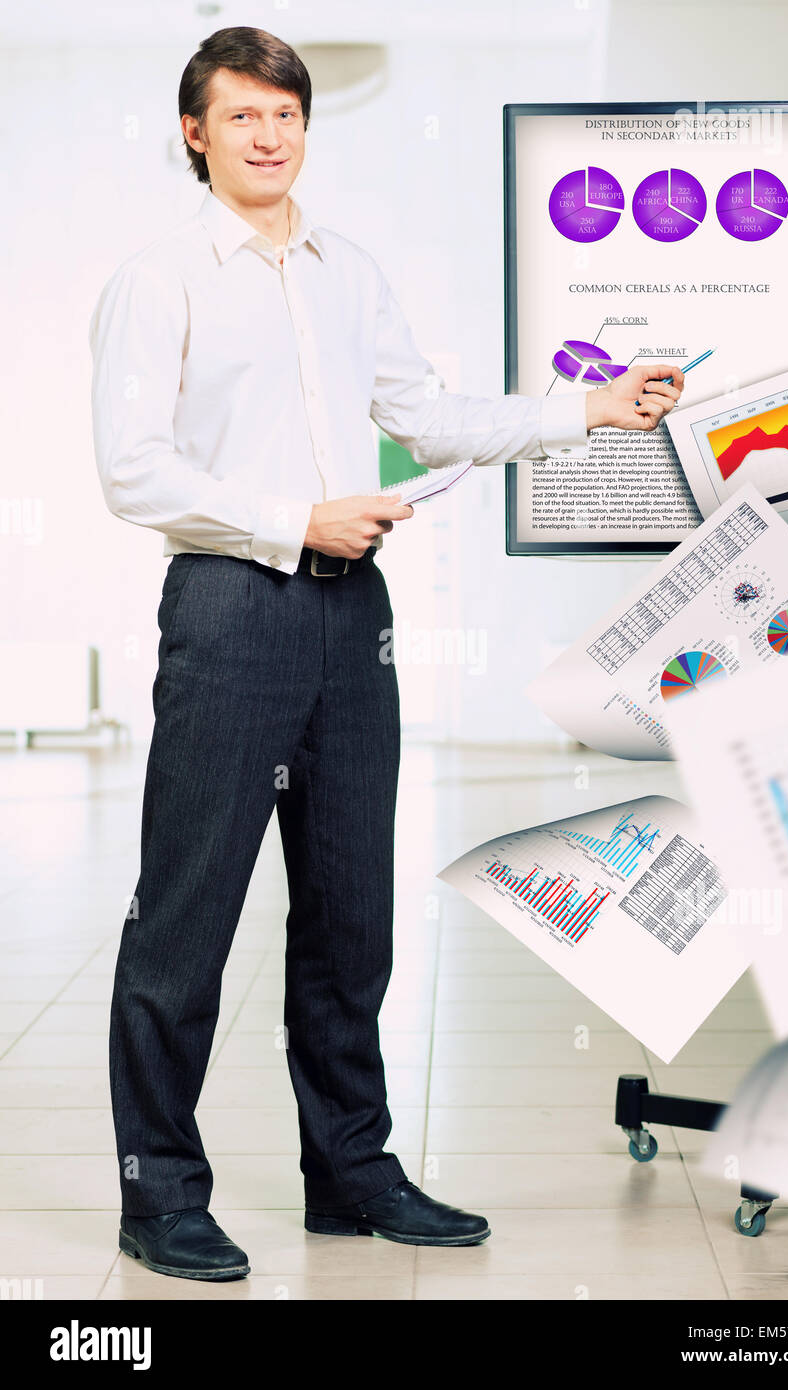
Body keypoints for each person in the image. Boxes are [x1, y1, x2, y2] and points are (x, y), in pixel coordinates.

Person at [88, 25, 684, 1282]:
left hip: (348, 614)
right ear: (194, 133)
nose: (267, 135)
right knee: (185, 915)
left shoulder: (346, 270)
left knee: (353, 915)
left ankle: (348, 1172)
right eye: (240, 116)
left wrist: (589, 405)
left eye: (285, 115)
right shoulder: (160, 278)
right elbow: (132, 470)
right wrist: (287, 519)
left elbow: (424, 416)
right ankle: (159, 1189)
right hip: (226, 606)